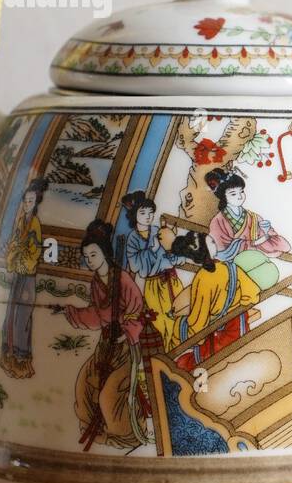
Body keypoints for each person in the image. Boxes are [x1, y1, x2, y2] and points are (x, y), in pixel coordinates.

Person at [55, 220, 150, 450]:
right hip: (105, 345)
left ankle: (125, 436)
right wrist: (71, 312)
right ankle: (95, 428)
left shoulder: (123, 279)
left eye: (94, 255)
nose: (90, 260)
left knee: (109, 395)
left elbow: (137, 308)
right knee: (84, 384)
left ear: (105, 254)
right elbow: (96, 314)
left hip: (126, 347)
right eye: (86, 256)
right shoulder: (96, 282)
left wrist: (125, 329)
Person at [169, 229, 261, 371]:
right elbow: (253, 293)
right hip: (238, 324)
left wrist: (187, 333)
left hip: (220, 335)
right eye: (211, 241)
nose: (214, 241)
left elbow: (200, 319)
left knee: (180, 330)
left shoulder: (202, 278)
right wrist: (235, 307)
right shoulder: (230, 267)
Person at [120, 191, 181, 350]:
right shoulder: (133, 238)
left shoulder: (157, 231)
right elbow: (135, 266)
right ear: (134, 215)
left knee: (179, 314)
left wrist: (176, 255)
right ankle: (168, 350)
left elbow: (171, 250)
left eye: (150, 212)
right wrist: (152, 249)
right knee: (161, 321)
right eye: (143, 212)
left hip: (171, 280)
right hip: (153, 285)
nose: (148, 216)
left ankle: (180, 348)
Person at [0, 178, 47, 379]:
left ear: (36, 203)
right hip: (19, 272)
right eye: (25, 200)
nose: (27, 204)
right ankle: (9, 355)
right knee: (11, 313)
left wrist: (22, 253)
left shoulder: (35, 222)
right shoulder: (21, 221)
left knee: (22, 317)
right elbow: (15, 241)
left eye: (31, 201)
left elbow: (35, 249)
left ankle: (21, 360)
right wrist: (12, 251)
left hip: (27, 274)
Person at [205, 167, 291, 263]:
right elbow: (220, 249)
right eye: (233, 194)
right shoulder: (218, 221)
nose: (240, 196)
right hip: (232, 262)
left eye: (241, 191)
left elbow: (277, 242)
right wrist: (254, 243)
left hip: (257, 259)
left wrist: (266, 232)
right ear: (223, 197)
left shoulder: (253, 217)